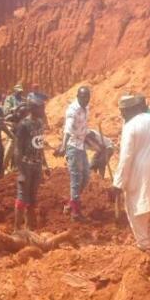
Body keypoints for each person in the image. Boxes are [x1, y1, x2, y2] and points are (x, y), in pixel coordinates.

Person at [113, 95, 150, 251]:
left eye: (123, 111)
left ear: (132, 109)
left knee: (137, 207)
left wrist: (118, 184)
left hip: (139, 171)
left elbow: (126, 157)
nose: (122, 115)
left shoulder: (130, 126)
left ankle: (144, 245)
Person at [13, 92, 49, 236]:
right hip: (26, 165)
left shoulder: (40, 123)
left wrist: (45, 164)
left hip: (37, 164)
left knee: (32, 197)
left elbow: (40, 145)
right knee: (22, 196)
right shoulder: (23, 125)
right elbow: (17, 149)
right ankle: (17, 229)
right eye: (41, 108)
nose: (43, 111)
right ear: (33, 109)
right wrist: (21, 171)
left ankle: (29, 229)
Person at [57, 86, 92, 221]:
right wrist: (63, 145)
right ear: (78, 96)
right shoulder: (73, 109)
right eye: (83, 97)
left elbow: (83, 127)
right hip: (72, 146)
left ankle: (71, 204)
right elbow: (67, 129)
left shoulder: (86, 108)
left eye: (88, 97)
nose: (86, 100)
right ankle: (75, 214)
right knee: (76, 179)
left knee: (86, 177)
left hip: (81, 146)